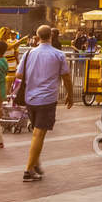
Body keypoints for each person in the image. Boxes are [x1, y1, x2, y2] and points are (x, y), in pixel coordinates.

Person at [17, 25, 72, 182]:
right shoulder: (58, 55)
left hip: (30, 98)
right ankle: (28, 170)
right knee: (38, 134)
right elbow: (66, 76)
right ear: (52, 36)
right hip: (47, 99)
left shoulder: (29, 53)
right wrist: (69, 94)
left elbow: (19, 74)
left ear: (37, 36)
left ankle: (35, 163)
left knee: (36, 133)